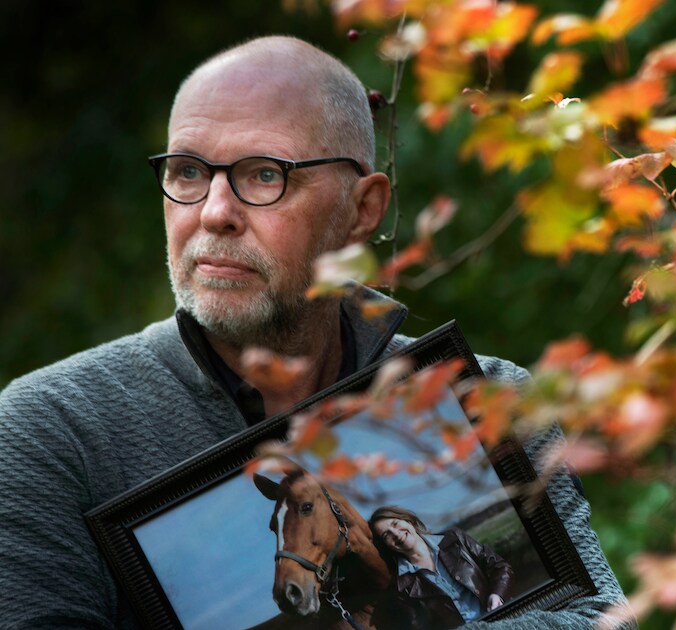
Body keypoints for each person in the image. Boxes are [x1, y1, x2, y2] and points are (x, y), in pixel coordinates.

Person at [0, 35, 628, 629]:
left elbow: (594, 618)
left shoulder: (486, 397)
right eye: (189, 171)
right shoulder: (52, 433)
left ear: (363, 210)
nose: (214, 213)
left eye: (265, 174)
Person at [369, 506, 514, 629]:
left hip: (502, 619)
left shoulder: (454, 538)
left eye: (395, 524)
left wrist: (496, 595)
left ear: (409, 521)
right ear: (386, 545)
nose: (396, 534)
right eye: (386, 535)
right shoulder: (401, 586)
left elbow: (500, 567)